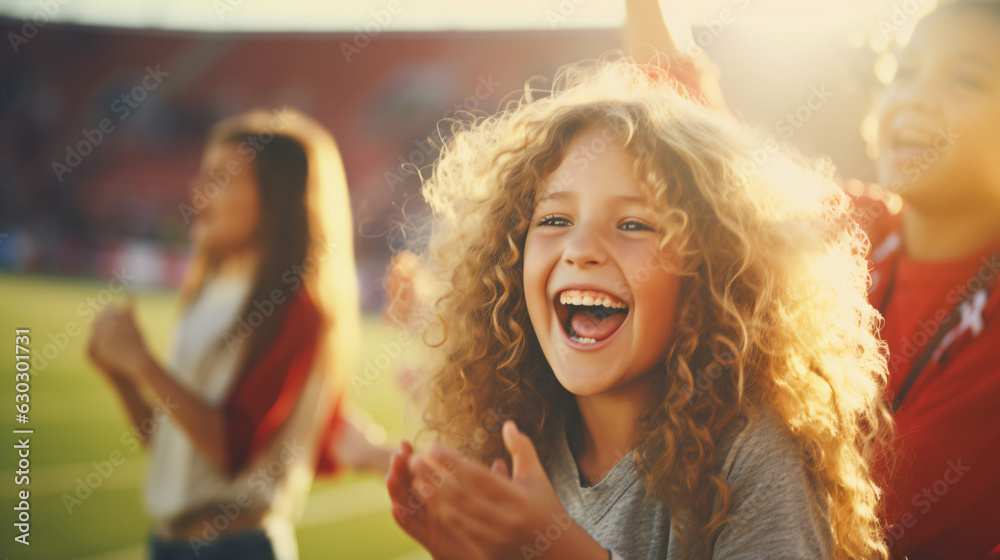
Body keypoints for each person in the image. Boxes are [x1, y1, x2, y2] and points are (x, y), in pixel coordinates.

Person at [383, 55, 893, 559]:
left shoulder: (751, 461)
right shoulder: (517, 439)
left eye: (633, 224)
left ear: (710, 271)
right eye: (555, 220)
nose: (581, 248)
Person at [624, 1, 1000, 556]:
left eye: (964, 78)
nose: (915, 96)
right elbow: (693, 133)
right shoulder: (848, 228)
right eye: (905, 70)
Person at [87, 108, 392, 560]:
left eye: (222, 178)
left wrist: (144, 364)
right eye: (202, 175)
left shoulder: (295, 307)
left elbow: (230, 449)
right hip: (168, 544)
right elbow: (170, 439)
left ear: (276, 198)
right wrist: (121, 375)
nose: (199, 191)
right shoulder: (209, 289)